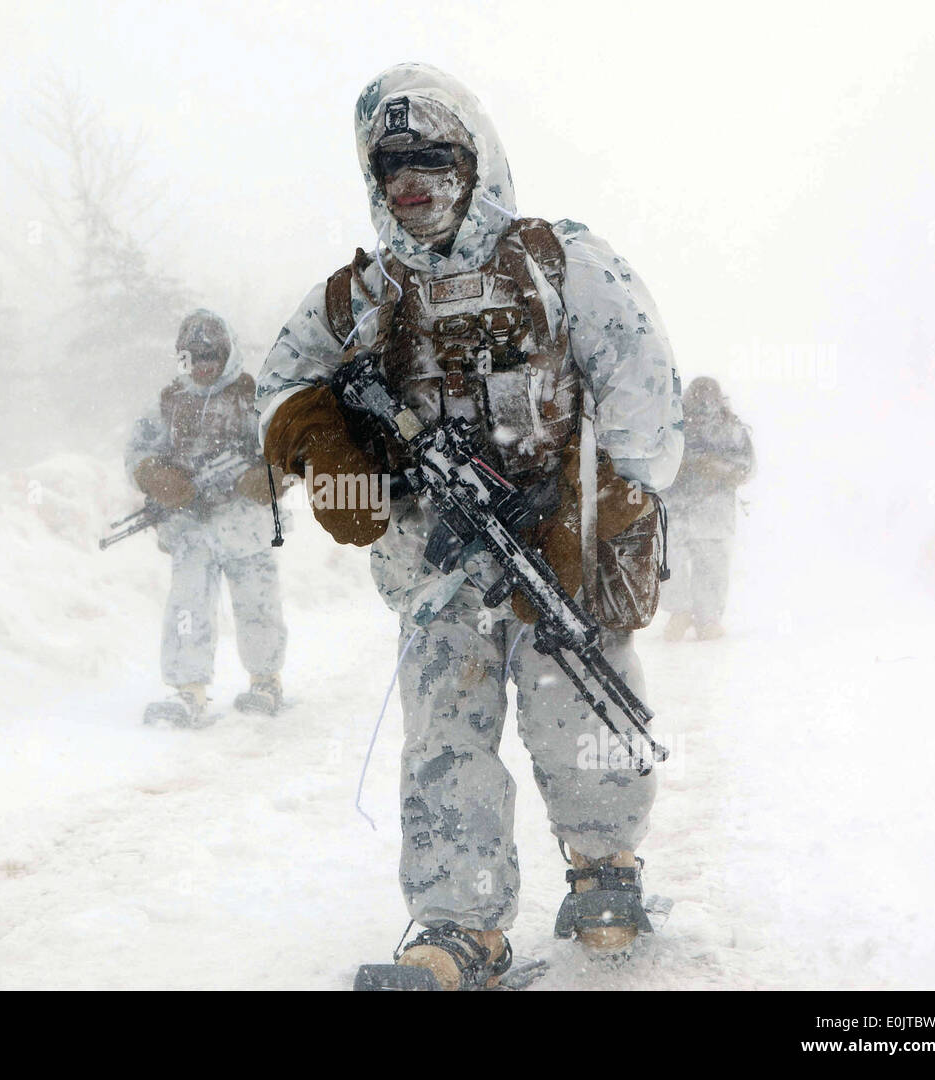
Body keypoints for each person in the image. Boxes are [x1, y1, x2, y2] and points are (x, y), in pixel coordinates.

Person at [256, 64, 683, 988]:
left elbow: (644, 384)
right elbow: (281, 386)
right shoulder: (358, 297)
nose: (410, 181)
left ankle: (605, 867)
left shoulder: (558, 260)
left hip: (556, 552)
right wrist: (328, 451)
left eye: (431, 157)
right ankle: (460, 923)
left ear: (474, 158)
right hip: (436, 566)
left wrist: (619, 511)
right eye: (390, 165)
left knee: (581, 712)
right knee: (445, 740)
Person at [126, 309, 287, 727]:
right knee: (187, 605)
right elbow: (138, 449)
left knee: (257, 604)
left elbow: (287, 446)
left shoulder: (254, 395)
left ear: (228, 353)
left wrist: (267, 476)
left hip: (247, 523)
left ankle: (265, 680)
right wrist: (155, 477)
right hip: (191, 526)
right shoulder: (170, 400)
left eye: (210, 355)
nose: (202, 366)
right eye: (192, 357)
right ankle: (188, 690)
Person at [660, 377, 755, 641]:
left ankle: (708, 619)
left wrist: (717, 467)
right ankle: (680, 612)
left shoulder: (731, 430)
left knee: (711, 566)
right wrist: (682, 466)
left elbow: (747, 468)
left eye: (707, 399)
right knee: (669, 562)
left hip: (713, 510)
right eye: (696, 398)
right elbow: (659, 461)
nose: (702, 405)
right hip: (676, 507)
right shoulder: (674, 427)